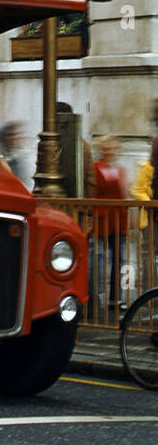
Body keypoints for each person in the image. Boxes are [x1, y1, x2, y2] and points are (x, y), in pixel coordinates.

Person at [90, 136, 127, 322]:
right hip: (102, 218)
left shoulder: (120, 170)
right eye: (109, 148)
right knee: (99, 259)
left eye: (114, 148)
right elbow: (94, 193)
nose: (112, 151)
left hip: (118, 219)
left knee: (120, 259)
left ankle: (116, 297)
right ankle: (96, 297)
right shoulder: (96, 167)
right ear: (103, 150)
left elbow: (123, 195)